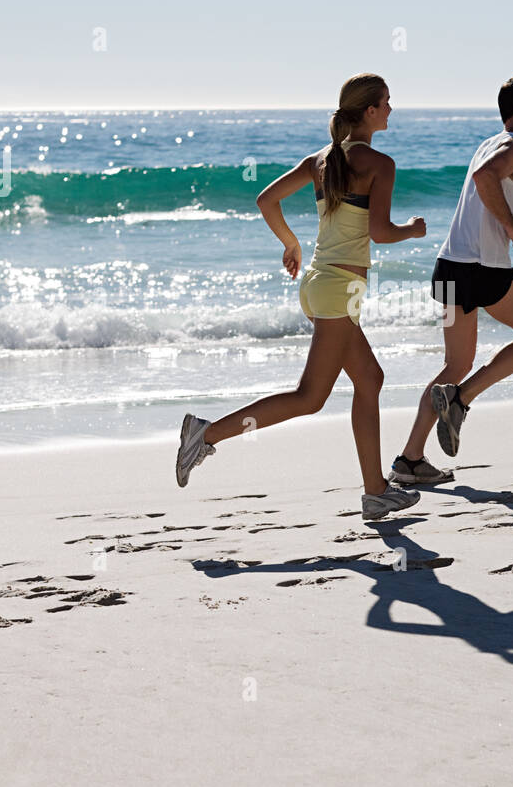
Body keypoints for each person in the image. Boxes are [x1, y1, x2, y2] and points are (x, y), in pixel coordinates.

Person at [176, 73, 428, 521]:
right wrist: (412, 229)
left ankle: (376, 492)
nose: (391, 109)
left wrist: (290, 244)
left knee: (369, 379)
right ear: (369, 110)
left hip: (318, 283)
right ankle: (205, 434)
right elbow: (380, 232)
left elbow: (266, 200)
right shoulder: (378, 163)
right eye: (386, 102)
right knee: (310, 396)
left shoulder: (321, 159)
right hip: (337, 291)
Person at [389, 76, 513, 483]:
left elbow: (485, 209)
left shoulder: (489, 143)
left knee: (456, 363)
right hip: (482, 269)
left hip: (451, 264)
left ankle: (409, 461)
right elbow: (487, 182)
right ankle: (461, 400)